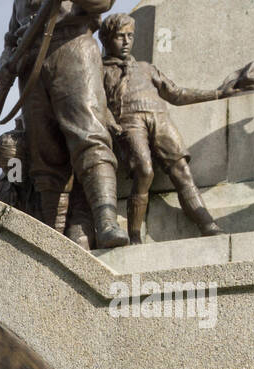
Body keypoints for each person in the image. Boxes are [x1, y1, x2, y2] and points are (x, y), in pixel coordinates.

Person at [0, 0, 129, 248]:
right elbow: (10, 38)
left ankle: (106, 221)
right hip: (31, 66)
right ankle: (53, 237)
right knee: (44, 153)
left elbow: (101, 3)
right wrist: (4, 65)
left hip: (73, 45)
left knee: (89, 137)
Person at [99, 13, 234, 243]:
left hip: (160, 117)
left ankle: (207, 224)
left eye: (130, 36)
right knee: (144, 170)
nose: (126, 42)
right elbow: (95, 103)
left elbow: (177, 94)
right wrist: (111, 123)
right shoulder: (99, 71)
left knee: (182, 170)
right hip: (129, 120)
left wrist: (218, 93)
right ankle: (134, 235)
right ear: (106, 40)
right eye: (119, 37)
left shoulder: (147, 68)